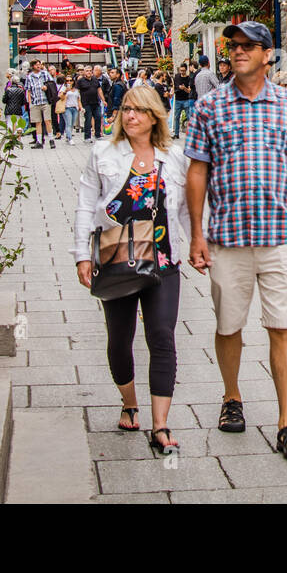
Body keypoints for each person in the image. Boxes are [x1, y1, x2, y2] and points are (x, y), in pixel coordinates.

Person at [184, 21, 287, 460]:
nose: (237, 51)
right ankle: (232, 397)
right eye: (233, 46)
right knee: (229, 326)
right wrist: (196, 235)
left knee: (283, 325)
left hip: (280, 235)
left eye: (248, 46)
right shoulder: (209, 107)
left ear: (267, 54)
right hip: (226, 237)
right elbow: (197, 171)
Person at [75, 86, 190, 452]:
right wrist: (81, 255)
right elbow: (84, 205)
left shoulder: (174, 157)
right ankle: (129, 401)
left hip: (163, 260)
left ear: (155, 116)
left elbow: (185, 209)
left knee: (161, 336)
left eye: (139, 110)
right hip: (115, 259)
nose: (130, 116)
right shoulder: (103, 153)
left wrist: (202, 246)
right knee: (120, 341)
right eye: (126, 109)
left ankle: (160, 425)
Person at [24, 59, 56, 149]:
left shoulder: (45, 74)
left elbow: (52, 84)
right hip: (35, 102)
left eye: (39, 64)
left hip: (45, 100)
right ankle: (39, 141)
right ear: (33, 66)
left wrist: (47, 87)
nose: (38, 66)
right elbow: (28, 90)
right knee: (37, 122)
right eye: (37, 65)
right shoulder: (29, 77)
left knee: (47, 121)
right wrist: (29, 103)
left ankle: (51, 139)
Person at [78, 66, 105, 140]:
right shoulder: (81, 81)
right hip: (86, 103)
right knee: (88, 119)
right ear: (84, 72)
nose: (89, 72)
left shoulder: (95, 80)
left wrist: (103, 100)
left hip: (96, 102)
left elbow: (99, 90)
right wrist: (79, 104)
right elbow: (78, 92)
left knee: (98, 117)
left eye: (90, 70)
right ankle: (87, 136)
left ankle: (98, 134)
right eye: (87, 71)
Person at [1, 71, 26, 141]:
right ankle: (19, 135)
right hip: (18, 109)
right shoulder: (21, 91)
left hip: (9, 109)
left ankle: (11, 138)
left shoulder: (8, 90)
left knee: (9, 123)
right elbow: (24, 101)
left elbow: (4, 100)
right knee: (18, 122)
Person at [172, 61, 195, 135]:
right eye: (181, 70)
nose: (182, 72)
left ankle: (190, 133)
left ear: (186, 70)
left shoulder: (189, 78)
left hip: (186, 99)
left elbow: (189, 91)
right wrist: (173, 92)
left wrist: (184, 88)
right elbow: (174, 86)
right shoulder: (177, 76)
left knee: (189, 117)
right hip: (178, 99)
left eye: (183, 71)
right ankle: (176, 134)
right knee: (176, 117)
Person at [62, 77, 81, 145]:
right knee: (68, 123)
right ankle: (70, 138)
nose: (69, 82)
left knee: (72, 124)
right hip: (67, 108)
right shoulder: (64, 88)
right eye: (67, 80)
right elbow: (61, 97)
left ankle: (67, 136)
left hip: (75, 108)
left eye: (70, 80)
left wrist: (81, 107)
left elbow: (78, 99)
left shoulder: (76, 90)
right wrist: (65, 92)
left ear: (73, 81)